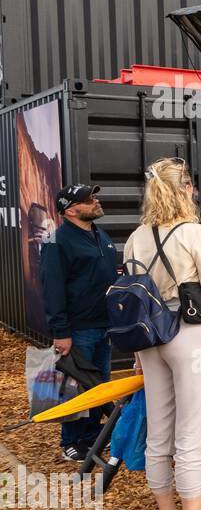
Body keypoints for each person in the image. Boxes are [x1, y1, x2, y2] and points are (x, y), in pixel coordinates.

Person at [122, 157, 201, 510]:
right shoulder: (195, 233)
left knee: (159, 435)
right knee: (191, 437)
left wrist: (137, 354)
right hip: (190, 336)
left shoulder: (137, 236)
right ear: (185, 189)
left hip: (150, 339)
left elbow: (134, 299)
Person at [39, 184, 119, 461]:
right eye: (88, 200)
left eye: (94, 196)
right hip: (78, 330)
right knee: (74, 387)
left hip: (104, 325)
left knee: (98, 384)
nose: (95, 201)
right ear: (70, 210)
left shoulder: (100, 235)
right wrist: (61, 332)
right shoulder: (55, 241)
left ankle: (92, 435)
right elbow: (52, 288)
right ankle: (71, 441)